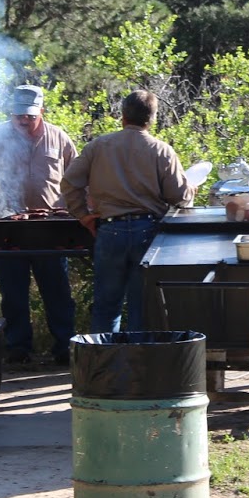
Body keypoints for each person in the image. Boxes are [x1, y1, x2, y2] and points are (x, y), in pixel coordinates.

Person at [0, 85, 80, 364]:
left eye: (30, 116)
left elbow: (77, 176)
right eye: (19, 115)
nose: (24, 120)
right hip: (6, 228)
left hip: (49, 228)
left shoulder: (59, 138)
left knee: (58, 292)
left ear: (41, 112)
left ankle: (65, 349)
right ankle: (18, 349)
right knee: (13, 293)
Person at [61, 90, 196, 335]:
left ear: (122, 116)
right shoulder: (161, 150)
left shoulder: (97, 146)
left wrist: (83, 215)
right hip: (148, 233)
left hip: (110, 230)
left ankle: (103, 358)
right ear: (152, 119)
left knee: (106, 306)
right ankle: (138, 357)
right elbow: (179, 196)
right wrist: (191, 188)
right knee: (141, 307)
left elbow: (70, 182)